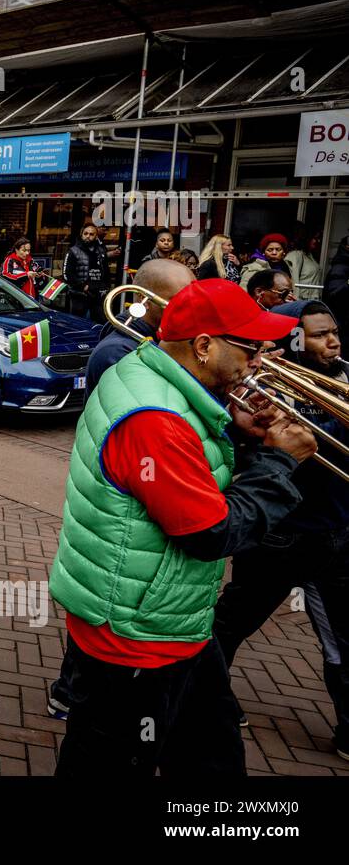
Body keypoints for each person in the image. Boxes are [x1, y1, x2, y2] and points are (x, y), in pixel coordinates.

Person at [50, 279, 316, 776]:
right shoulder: (157, 420)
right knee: (112, 762)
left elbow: (190, 469)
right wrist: (279, 465)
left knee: (212, 756)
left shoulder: (147, 371)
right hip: (139, 637)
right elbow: (210, 534)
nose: (260, 360)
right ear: (203, 346)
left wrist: (237, 431)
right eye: (251, 348)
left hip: (169, 616)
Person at [45, 256, 196, 719]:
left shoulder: (153, 342)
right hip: (120, 491)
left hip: (133, 490)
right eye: (180, 299)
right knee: (105, 596)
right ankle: (70, 691)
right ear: (148, 298)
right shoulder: (119, 350)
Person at [212, 299, 349, 761]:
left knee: (343, 637)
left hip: (336, 531)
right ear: (294, 339)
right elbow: (268, 452)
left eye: (334, 332)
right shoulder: (268, 384)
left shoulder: (344, 376)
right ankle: (211, 699)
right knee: (231, 624)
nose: (332, 341)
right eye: (319, 334)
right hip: (281, 536)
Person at [62, 223, 109, 320]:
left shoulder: (101, 251)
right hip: (79, 295)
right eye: (86, 233)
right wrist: (82, 286)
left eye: (91, 234)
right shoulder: (73, 251)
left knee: (99, 322)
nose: (88, 236)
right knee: (77, 323)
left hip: (98, 295)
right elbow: (67, 274)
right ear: (81, 234)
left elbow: (105, 271)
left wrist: (105, 287)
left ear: (96, 236)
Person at [285, 231, 324, 300]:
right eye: (315, 238)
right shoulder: (296, 255)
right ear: (307, 238)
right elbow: (294, 281)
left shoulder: (309, 255)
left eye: (318, 238)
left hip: (311, 299)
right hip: (301, 300)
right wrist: (295, 301)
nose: (318, 241)